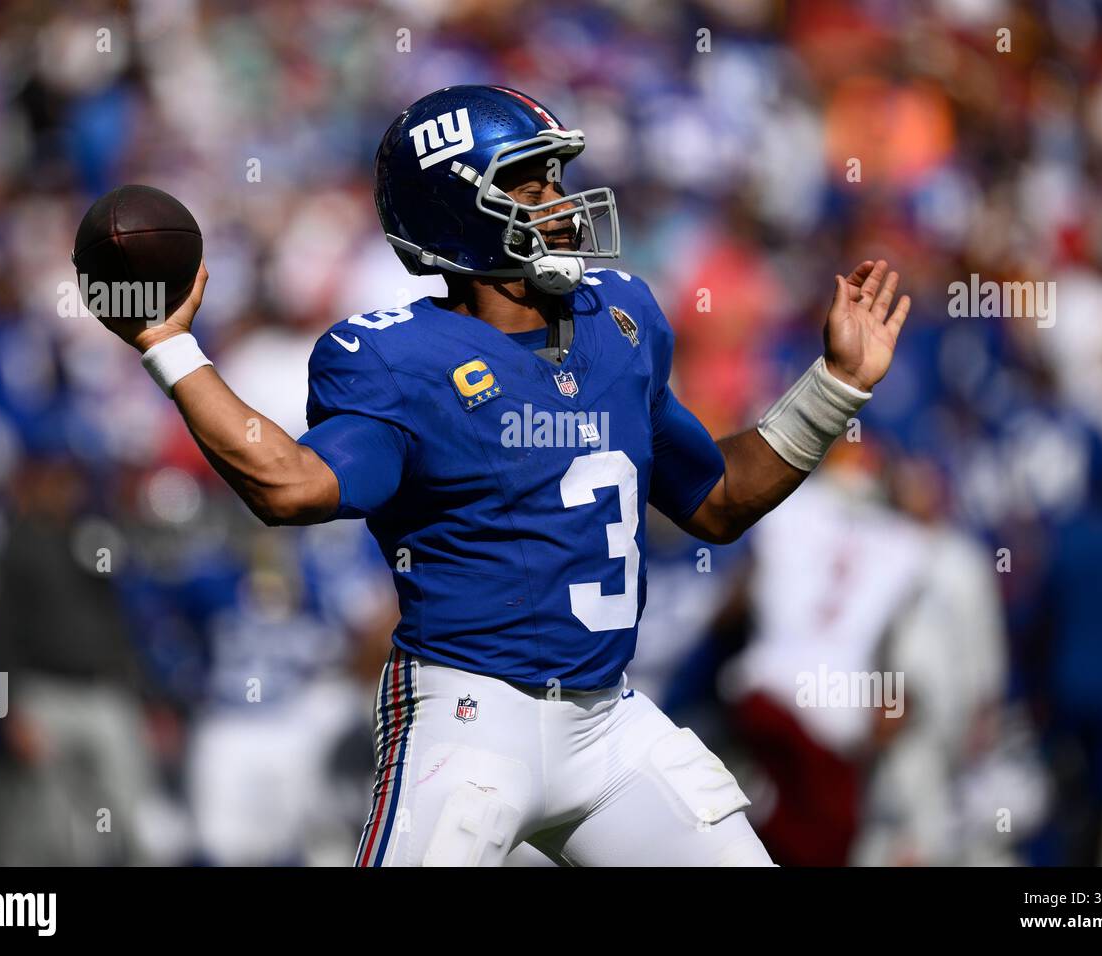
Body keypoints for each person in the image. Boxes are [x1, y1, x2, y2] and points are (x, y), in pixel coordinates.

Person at [92, 85, 910, 866]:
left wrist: (833, 388)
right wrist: (171, 348)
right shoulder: (395, 358)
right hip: (470, 719)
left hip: (608, 723)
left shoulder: (618, 322)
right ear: (456, 212)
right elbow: (292, 487)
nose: (558, 200)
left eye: (556, 177)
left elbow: (719, 500)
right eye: (526, 182)